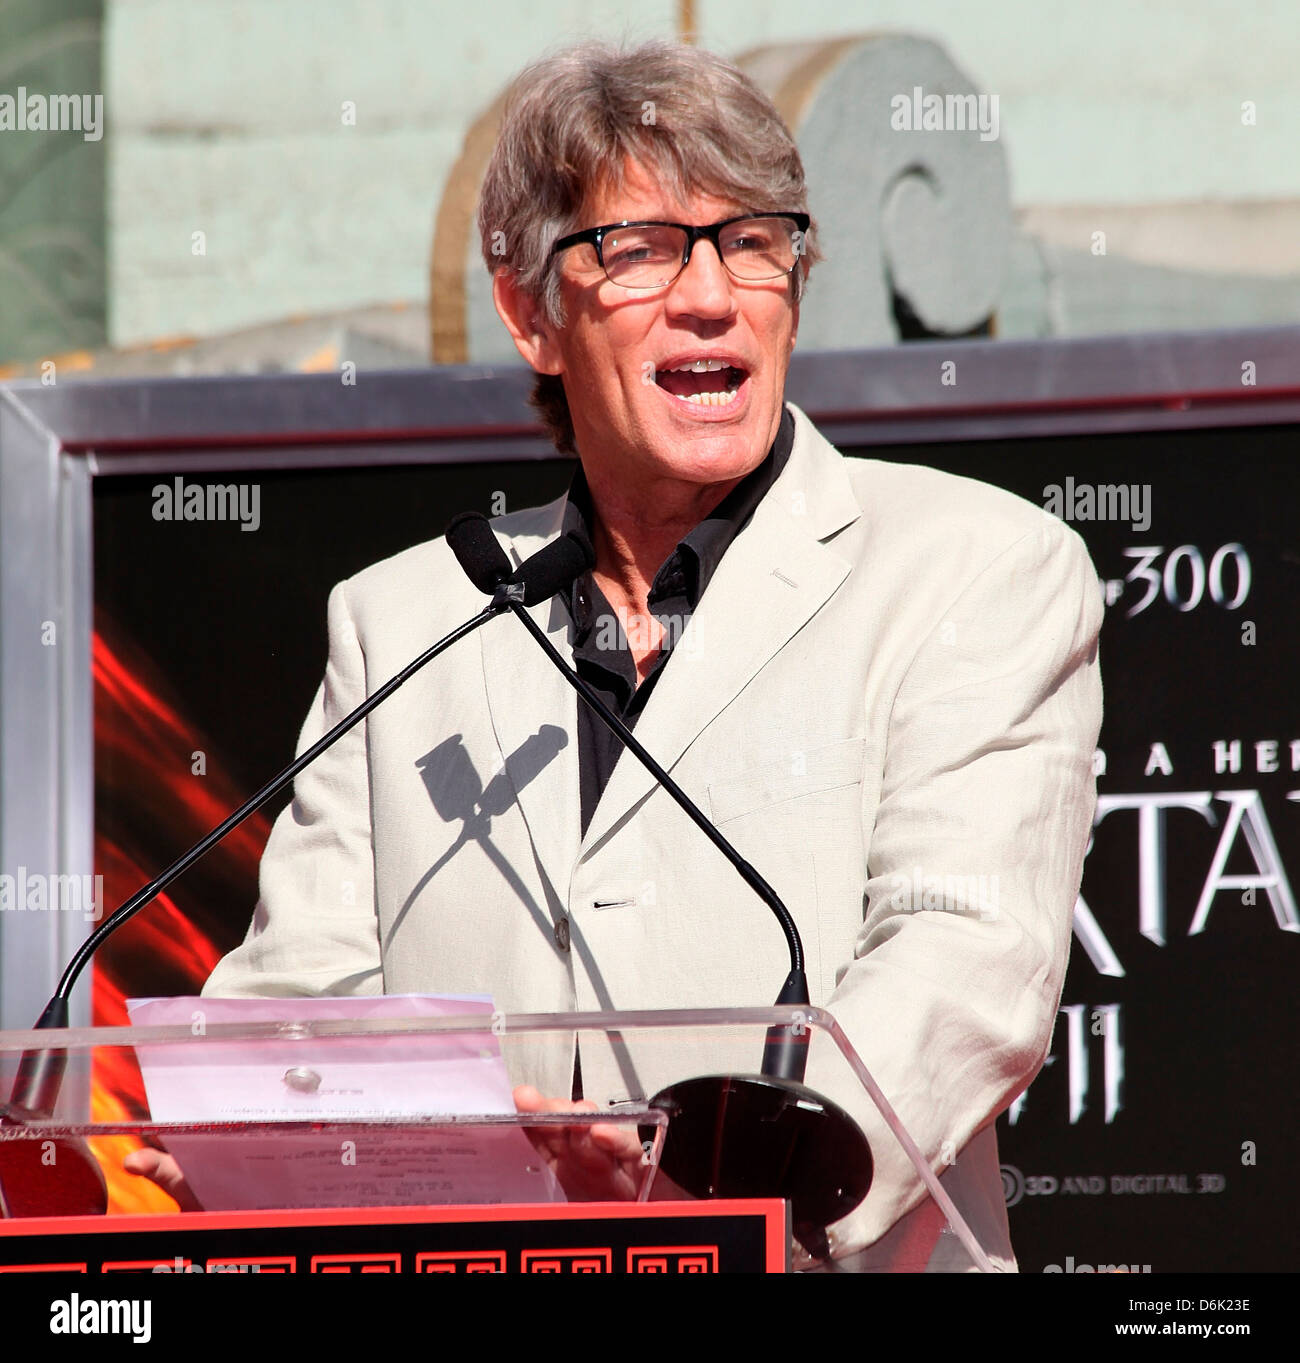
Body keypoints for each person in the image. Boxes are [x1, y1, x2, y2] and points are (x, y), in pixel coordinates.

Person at [130, 39, 1102, 1271]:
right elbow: (304, 1005)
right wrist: (251, 1139)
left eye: (754, 240)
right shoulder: (408, 617)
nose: (711, 294)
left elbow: (966, 963)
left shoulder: (975, 568)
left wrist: (703, 1187)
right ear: (533, 311)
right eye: (640, 249)